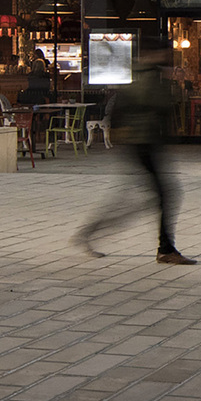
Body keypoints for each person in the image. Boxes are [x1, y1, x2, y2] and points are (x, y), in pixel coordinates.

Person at [76, 47, 193, 265]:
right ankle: (165, 249)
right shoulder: (149, 79)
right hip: (144, 143)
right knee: (162, 195)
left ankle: (90, 233)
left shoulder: (137, 77)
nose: (166, 58)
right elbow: (159, 108)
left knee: (148, 197)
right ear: (152, 55)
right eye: (163, 54)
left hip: (140, 144)